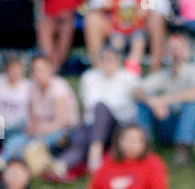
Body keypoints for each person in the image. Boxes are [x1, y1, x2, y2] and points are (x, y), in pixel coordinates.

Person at [50, 42, 139, 177]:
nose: (107, 63)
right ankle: (62, 165)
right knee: (83, 134)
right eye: (104, 59)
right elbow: (86, 107)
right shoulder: (89, 77)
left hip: (119, 126)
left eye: (111, 59)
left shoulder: (129, 78)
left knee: (100, 107)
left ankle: (93, 157)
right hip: (93, 126)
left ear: (119, 60)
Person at [135, 28, 195, 166]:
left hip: (194, 126)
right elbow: (137, 90)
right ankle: (142, 145)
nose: (174, 52)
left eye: (178, 48)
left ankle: (183, 149)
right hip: (169, 123)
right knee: (142, 104)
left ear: (186, 51)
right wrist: (152, 102)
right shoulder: (163, 74)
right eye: (171, 48)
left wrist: (164, 100)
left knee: (192, 105)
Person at [23, 53, 81, 176]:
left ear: (50, 70)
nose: (38, 74)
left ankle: (36, 161)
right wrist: (32, 127)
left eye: (41, 70)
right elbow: (32, 116)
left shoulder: (59, 87)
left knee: (44, 141)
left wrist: (40, 130)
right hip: (42, 129)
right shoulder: (32, 88)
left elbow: (62, 121)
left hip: (64, 130)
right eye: (34, 70)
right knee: (20, 134)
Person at [0, 53, 31, 169]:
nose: (15, 72)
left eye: (18, 69)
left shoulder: (28, 86)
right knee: (0, 124)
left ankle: (1, 161)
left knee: (18, 137)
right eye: (12, 69)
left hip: (18, 127)